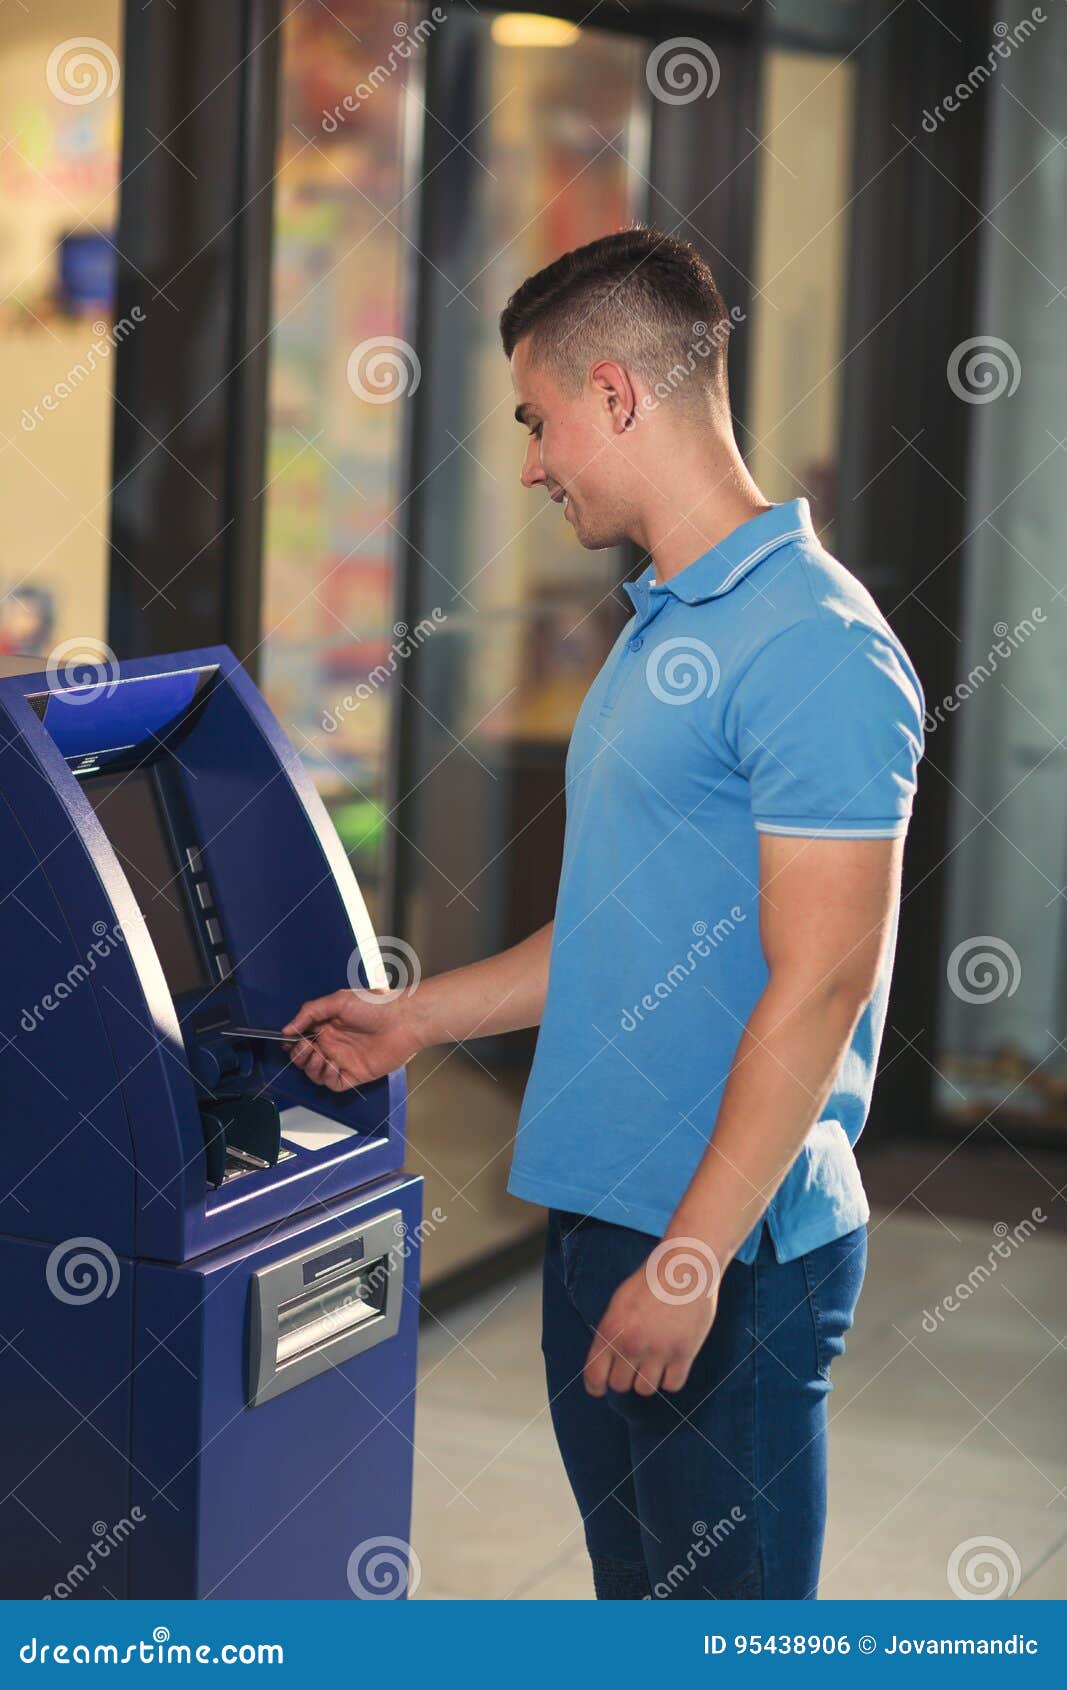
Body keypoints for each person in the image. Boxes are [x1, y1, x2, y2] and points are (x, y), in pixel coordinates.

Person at [284, 226, 925, 1601]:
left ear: (619, 395)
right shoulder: (663, 628)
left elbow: (823, 982)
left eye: (538, 418)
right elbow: (626, 930)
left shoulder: (815, 643)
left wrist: (691, 1259)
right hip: (602, 1222)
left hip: (729, 1253)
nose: (530, 462)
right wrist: (417, 1017)